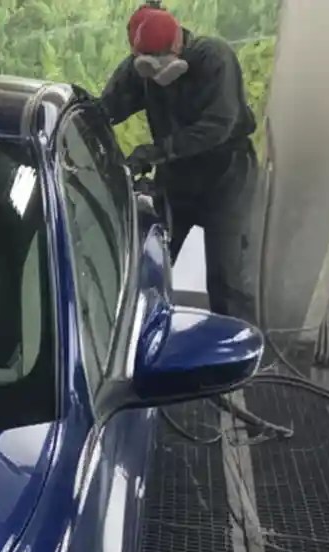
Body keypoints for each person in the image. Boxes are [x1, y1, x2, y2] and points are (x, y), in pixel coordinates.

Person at [100, 4, 258, 322]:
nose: (157, 72)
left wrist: (155, 152)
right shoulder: (138, 70)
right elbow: (107, 109)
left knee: (225, 278)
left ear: (177, 45)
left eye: (162, 58)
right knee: (150, 262)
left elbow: (218, 126)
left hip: (225, 174)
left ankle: (239, 360)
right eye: (147, 62)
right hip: (177, 176)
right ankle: (139, 343)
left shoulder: (215, 58)